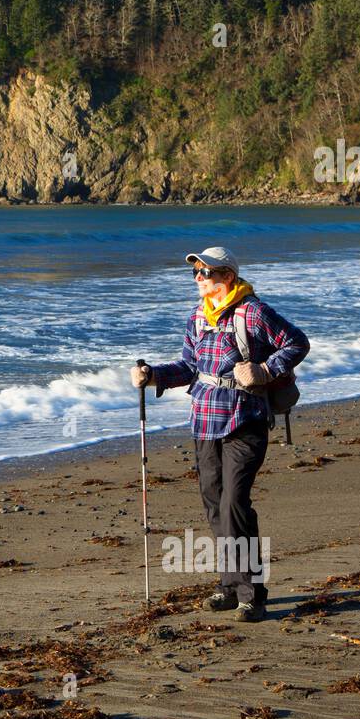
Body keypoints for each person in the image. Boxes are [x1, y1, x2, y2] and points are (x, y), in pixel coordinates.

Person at [132, 247, 310, 621]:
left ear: (227, 276)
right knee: (214, 503)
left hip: (246, 420)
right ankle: (230, 586)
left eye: (206, 272)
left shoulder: (253, 312)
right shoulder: (198, 317)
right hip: (204, 420)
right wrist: (153, 376)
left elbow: (297, 343)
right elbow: (188, 366)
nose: (199, 278)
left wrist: (263, 370)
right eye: (195, 273)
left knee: (234, 505)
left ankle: (253, 595)